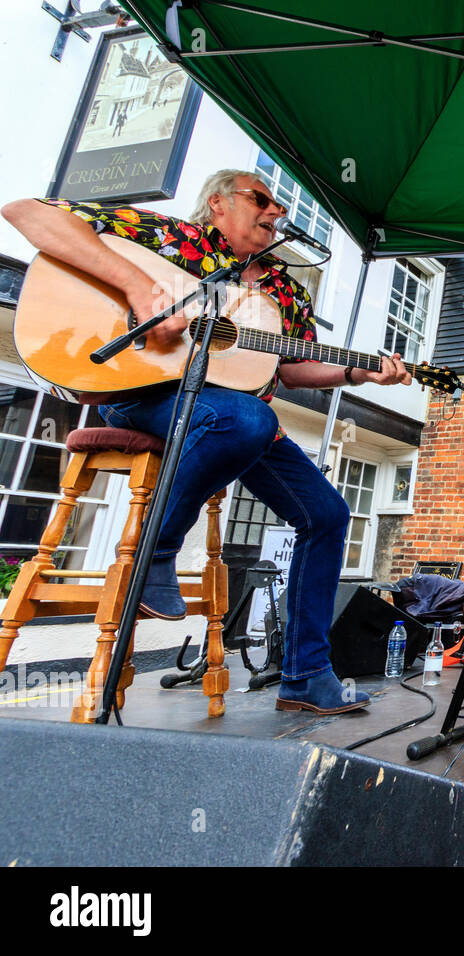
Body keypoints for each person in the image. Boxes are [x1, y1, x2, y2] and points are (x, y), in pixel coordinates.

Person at [2, 170, 412, 715]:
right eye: (260, 200)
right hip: (138, 389)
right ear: (216, 204)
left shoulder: (286, 291)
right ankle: (156, 552)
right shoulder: (179, 242)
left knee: (327, 514)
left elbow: (289, 370)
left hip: (231, 413)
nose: (275, 213)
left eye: (278, 207)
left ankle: (306, 674)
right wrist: (139, 287)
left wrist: (358, 374)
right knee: (248, 419)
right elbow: (26, 212)